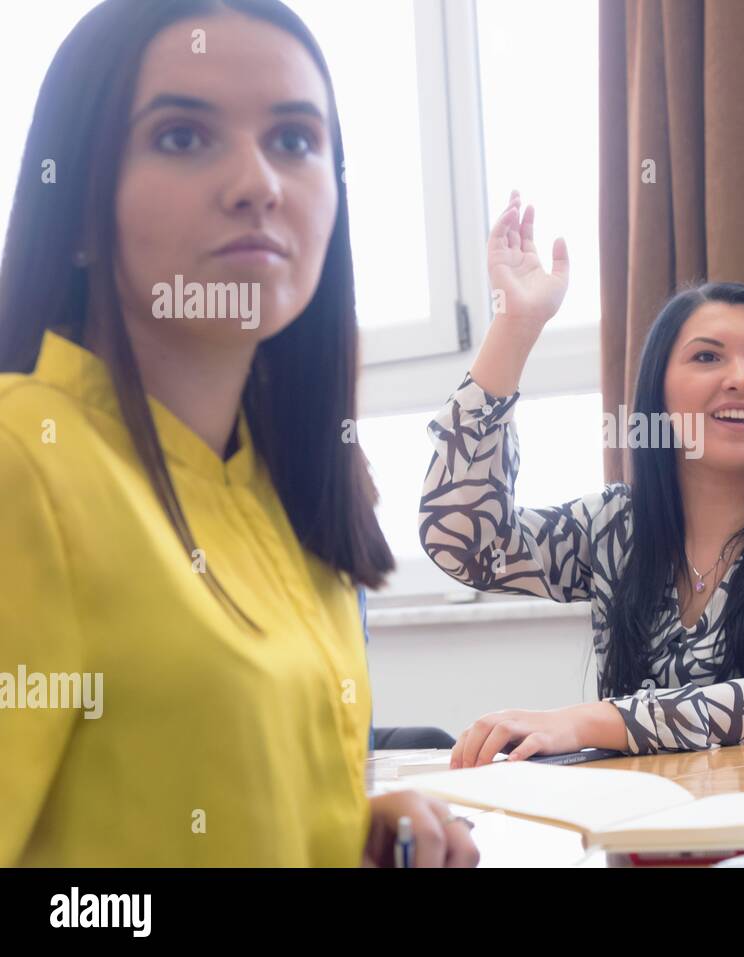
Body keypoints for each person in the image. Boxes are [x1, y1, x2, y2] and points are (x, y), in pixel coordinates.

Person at [0, 0, 475, 867]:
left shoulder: (295, 493)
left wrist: (339, 828)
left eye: (295, 140)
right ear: (75, 212)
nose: (258, 181)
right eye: (183, 137)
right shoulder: (23, 464)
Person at [420, 193, 744, 767]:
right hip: (646, 838)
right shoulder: (613, 527)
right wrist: (515, 326)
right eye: (708, 358)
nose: (743, 379)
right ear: (657, 395)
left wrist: (581, 720)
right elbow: (467, 545)